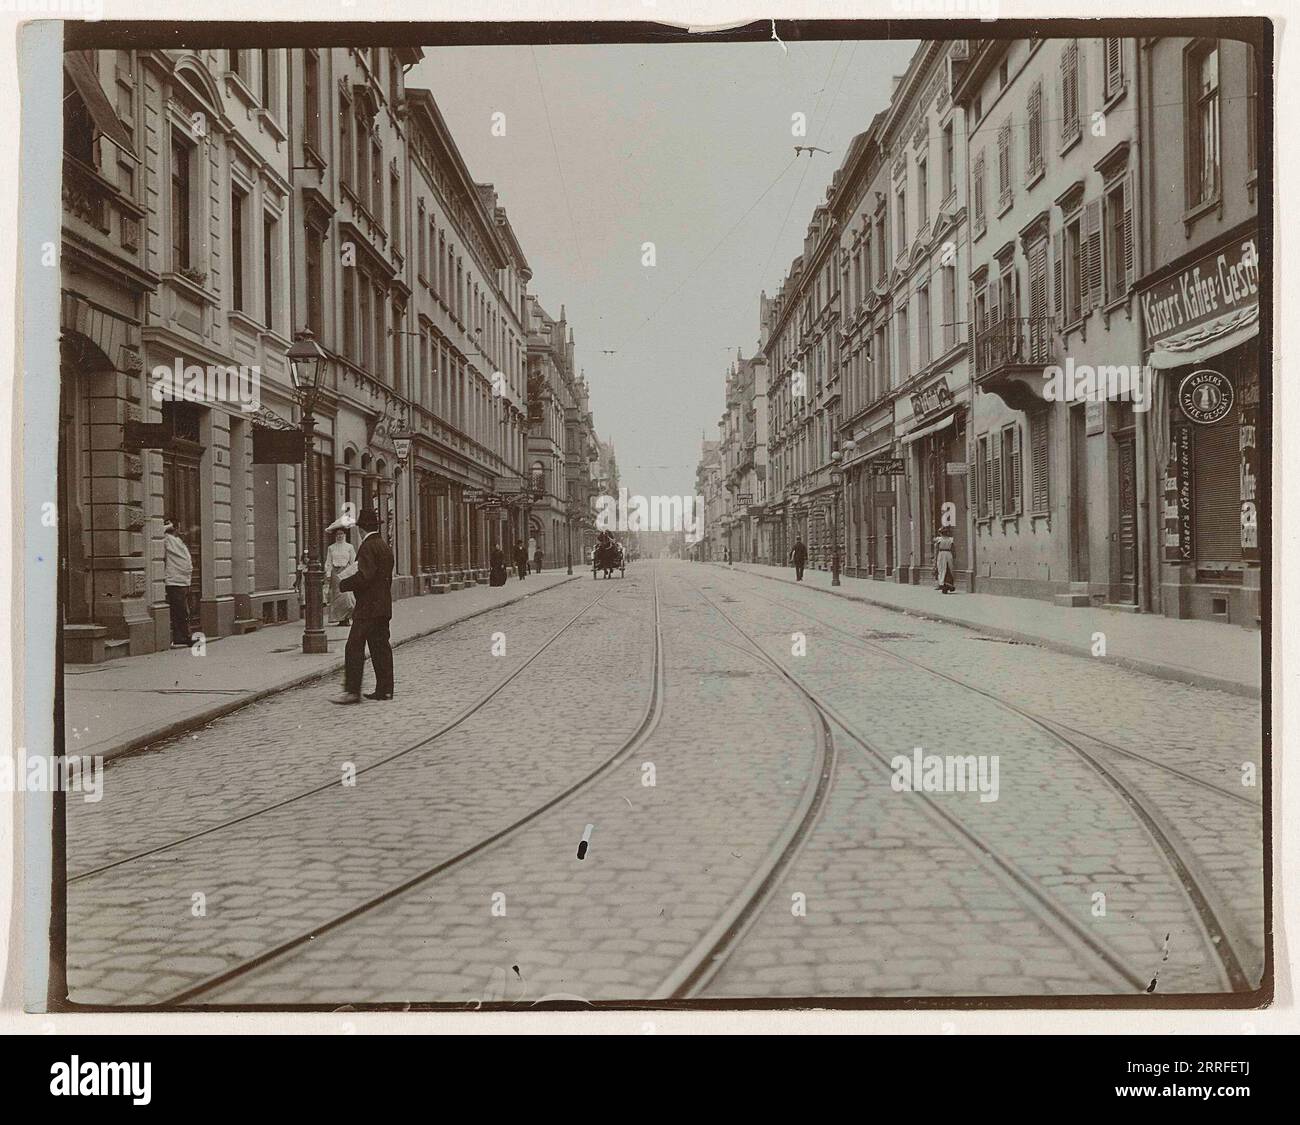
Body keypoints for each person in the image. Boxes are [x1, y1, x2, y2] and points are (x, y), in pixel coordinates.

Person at [331, 508, 394, 704]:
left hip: (368, 608)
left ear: (361, 529)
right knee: (380, 647)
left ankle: (352, 692)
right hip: (383, 606)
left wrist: (344, 583)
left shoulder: (367, 547)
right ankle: (385, 690)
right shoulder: (384, 546)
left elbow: (364, 576)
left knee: (354, 646)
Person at [162, 519, 194, 648]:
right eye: (178, 527)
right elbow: (155, 532)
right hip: (175, 581)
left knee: (181, 611)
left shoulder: (177, 541)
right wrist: (168, 526)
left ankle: (180, 637)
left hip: (184, 581)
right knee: (182, 611)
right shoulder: (166, 539)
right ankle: (186, 637)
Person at [323, 527, 357, 626]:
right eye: (337, 534)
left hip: (346, 572)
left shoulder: (349, 547)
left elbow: (353, 561)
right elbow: (328, 561)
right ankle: (340, 618)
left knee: (347, 596)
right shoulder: (331, 548)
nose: (339, 536)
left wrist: (353, 573)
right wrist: (328, 574)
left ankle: (347, 617)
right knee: (337, 597)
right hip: (335, 573)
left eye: (341, 534)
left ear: (345, 535)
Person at [934, 529, 956, 594]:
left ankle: (942, 583)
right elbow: (953, 548)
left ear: (941, 533)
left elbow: (937, 549)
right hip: (948, 554)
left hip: (941, 554)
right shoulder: (950, 539)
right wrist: (954, 556)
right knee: (949, 567)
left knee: (941, 568)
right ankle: (949, 583)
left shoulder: (939, 539)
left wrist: (935, 558)